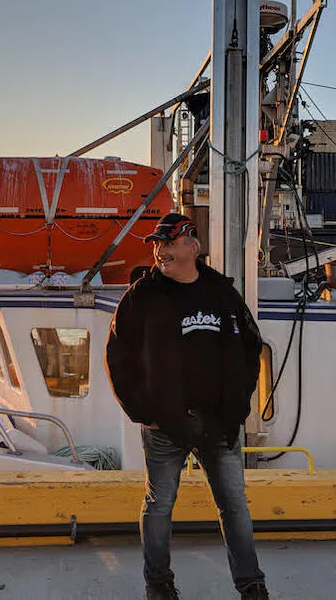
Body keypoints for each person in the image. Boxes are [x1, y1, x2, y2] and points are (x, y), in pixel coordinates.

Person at [105, 213, 268, 600]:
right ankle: (159, 585)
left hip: (220, 425)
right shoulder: (141, 297)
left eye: (168, 243)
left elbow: (250, 349)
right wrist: (147, 413)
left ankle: (251, 586)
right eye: (157, 245)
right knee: (159, 505)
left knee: (234, 506)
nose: (160, 251)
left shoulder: (222, 293)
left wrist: (234, 412)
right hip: (165, 427)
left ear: (193, 247)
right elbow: (118, 358)